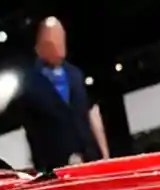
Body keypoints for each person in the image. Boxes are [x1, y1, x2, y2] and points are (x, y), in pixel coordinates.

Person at [14, 17, 110, 173]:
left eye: (60, 39)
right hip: (55, 165)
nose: (58, 46)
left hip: (91, 158)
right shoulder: (28, 84)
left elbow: (92, 113)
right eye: (51, 41)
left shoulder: (75, 74)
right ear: (39, 47)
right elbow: (30, 129)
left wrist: (105, 155)